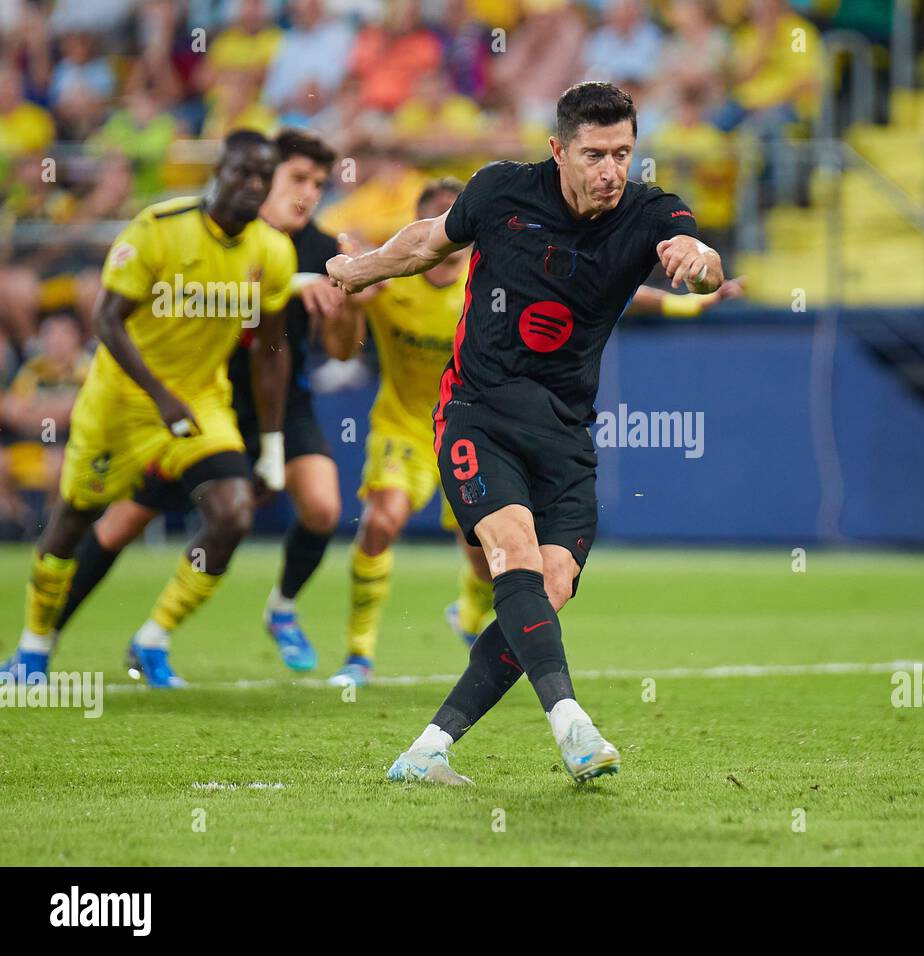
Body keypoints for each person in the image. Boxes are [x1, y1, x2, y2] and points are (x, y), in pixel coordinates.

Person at [326, 81, 724, 785]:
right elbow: (428, 241)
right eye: (595, 154)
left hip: (566, 434)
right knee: (512, 554)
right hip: (477, 413)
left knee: (550, 586)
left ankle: (428, 748)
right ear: (557, 150)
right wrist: (358, 270)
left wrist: (699, 264)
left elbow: (695, 256)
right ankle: (572, 724)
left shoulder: (649, 210)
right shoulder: (503, 191)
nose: (611, 170)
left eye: (624, 153)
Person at [40, 128, 357, 674]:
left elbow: (343, 350)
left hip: (280, 403)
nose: (307, 193)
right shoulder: (215, 233)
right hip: (201, 399)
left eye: (319, 184)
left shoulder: (325, 248)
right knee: (120, 524)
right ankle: (42, 639)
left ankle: (270, 612)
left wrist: (350, 301)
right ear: (256, 177)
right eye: (296, 178)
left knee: (323, 506)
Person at [320, 178, 496, 688]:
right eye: (435, 219)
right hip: (404, 427)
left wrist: (678, 302)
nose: (447, 230)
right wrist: (352, 300)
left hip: (471, 431)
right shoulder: (391, 278)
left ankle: (466, 613)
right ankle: (358, 656)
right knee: (381, 521)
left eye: (455, 217)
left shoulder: (489, 283)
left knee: (485, 558)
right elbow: (340, 351)